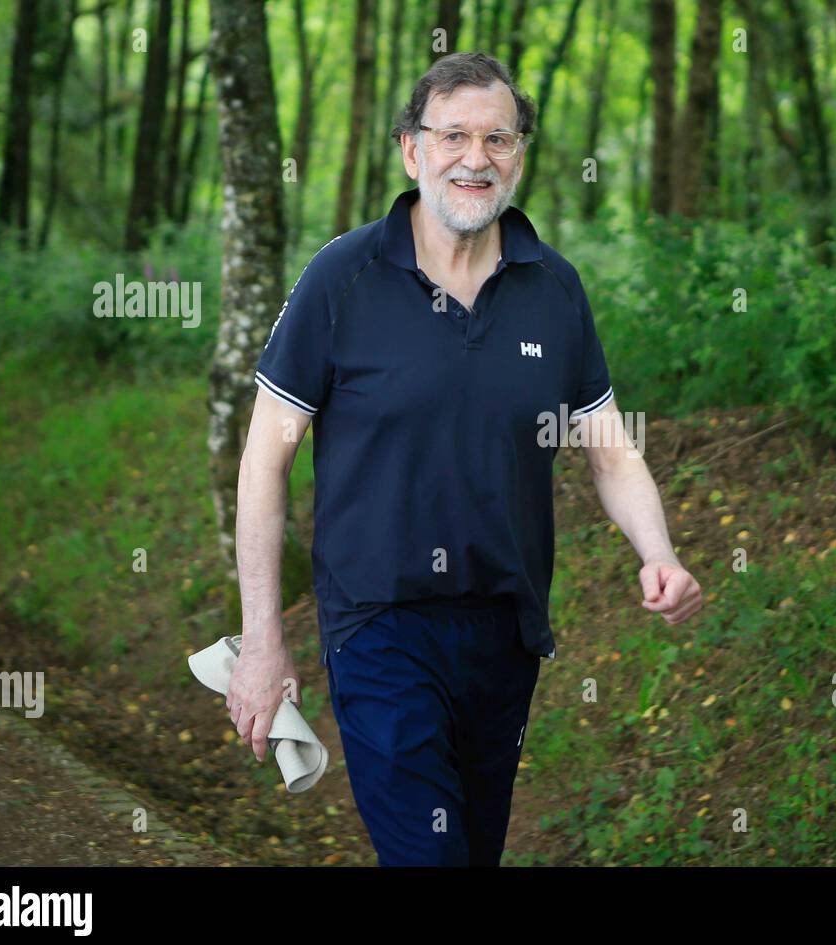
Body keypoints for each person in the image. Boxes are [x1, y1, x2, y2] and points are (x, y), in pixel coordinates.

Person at [227, 52, 702, 866]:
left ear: (520, 155)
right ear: (412, 151)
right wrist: (263, 640)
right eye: (453, 136)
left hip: (505, 633)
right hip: (378, 626)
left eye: (498, 139)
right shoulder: (343, 279)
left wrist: (658, 553)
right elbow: (263, 463)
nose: (476, 159)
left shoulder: (554, 290)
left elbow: (611, 451)